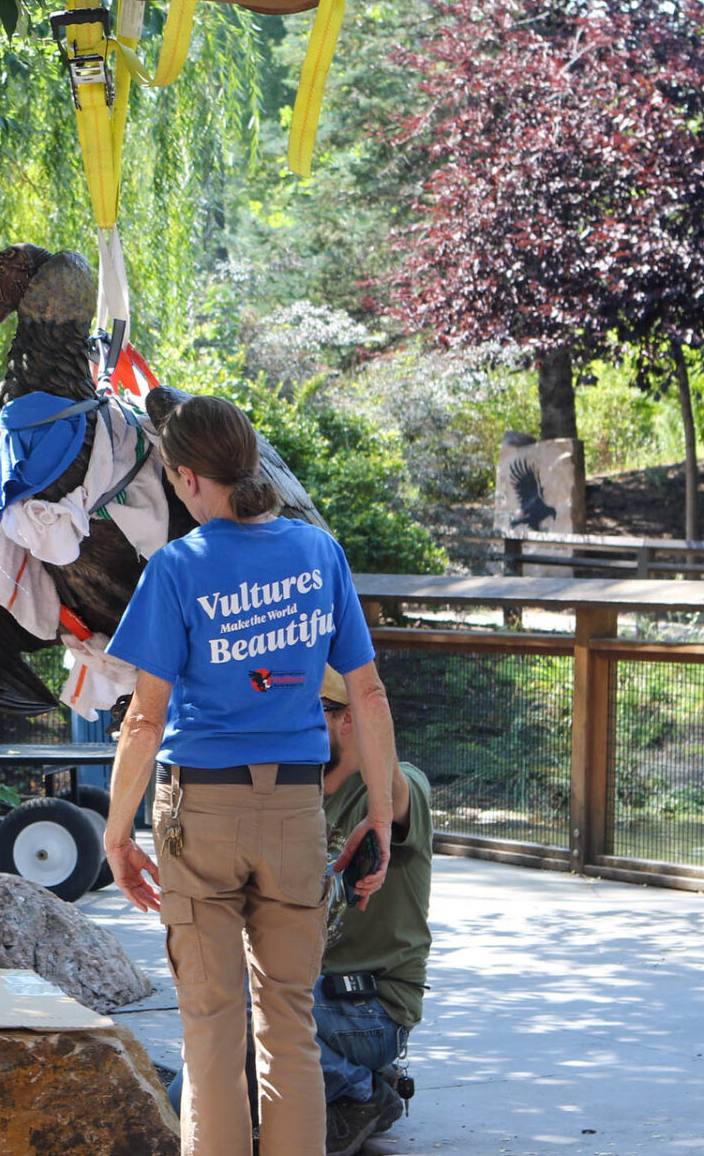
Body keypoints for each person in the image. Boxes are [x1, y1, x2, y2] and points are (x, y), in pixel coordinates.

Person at [101, 393, 400, 1156]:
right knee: (288, 1025)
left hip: (201, 813)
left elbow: (144, 718)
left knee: (210, 1029)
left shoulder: (177, 568)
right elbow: (366, 692)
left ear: (190, 476)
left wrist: (116, 833)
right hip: (296, 811)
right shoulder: (316, 553)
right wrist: (382, 817)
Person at [317, 666, 433, 1156]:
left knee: (252, 1018)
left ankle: (362, 1089)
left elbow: (399, 795)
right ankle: (345, 1082)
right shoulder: (291, 791)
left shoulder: (396, 788)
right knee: (191, 1100)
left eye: (311, 709)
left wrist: (369, 706)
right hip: (304, 993)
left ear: (350, 720)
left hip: (372, 1008)